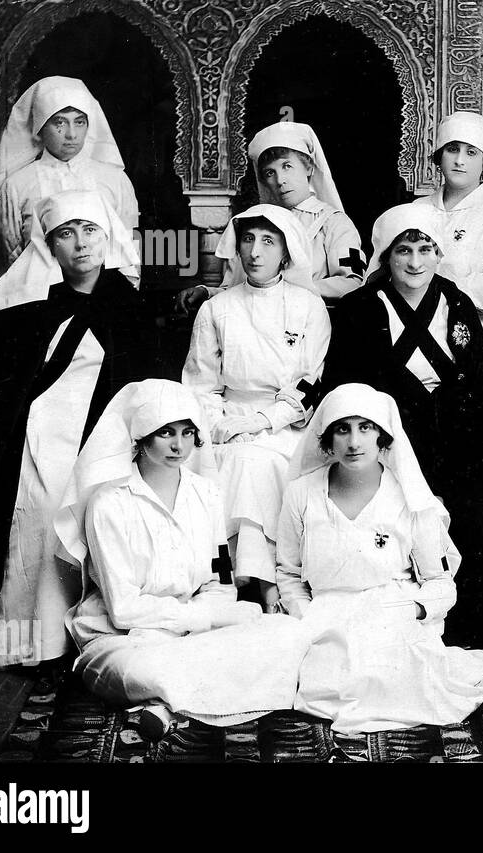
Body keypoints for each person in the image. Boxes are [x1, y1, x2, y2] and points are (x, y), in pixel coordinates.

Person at [56, 379, 310, 739]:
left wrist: (205, 620)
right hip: (127, 638)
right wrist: (204, 620)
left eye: (188, 432)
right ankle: (197, 692)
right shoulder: (109, 503)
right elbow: (124, 610)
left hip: (196, 631)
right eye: (165, 433)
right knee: (143, 669)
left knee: (291, 633)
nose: (179, 445)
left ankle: (165, 706)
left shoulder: (206, 493)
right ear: (141, 438)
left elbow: (219, 577)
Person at [0, 189, 149, 669]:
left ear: (107, 236)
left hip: (107, 430)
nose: (81, 244)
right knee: (43, 514)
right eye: (66, 234)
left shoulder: (131, 306)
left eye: (90, 230)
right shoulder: (32, 309)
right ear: (50, 246)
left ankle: (96, 644)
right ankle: (39, 644)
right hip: (42, 431)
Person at [276, 383, 483, 732]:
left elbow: (439, 584)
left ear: (383, 437)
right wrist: (307, 618)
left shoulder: (410, 499)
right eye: (342, 429)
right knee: (325, 683)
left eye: (365, 427)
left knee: (396, 679)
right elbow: (288, 572)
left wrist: (414, 610)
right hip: (325, 614)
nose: (354, 442)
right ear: (328, 439)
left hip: (392, 611)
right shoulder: (302, 494)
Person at [324, 204, 483, 652]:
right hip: (393, 439)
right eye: (403, 250)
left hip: (461, 439)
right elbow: (345, 387)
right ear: (386, 256)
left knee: (477, 524)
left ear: (438, 252)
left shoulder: (456, 301)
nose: (414, 262)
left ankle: (472, 635)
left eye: (425, 249)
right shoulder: (359, 308)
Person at [182, 204, 330, 612]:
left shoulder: (308, 307)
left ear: (286, 251)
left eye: (268, 241)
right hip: (224, 424)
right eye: (248, 239)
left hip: (289, 427)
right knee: (233, 461)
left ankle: (254, 583)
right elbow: (201, 383)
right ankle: (227, 580)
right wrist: (222, 424)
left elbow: (308, 383)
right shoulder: (216, 309)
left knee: (255, 462)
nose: (255, 251)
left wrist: (263, 421)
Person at [176, 121, 365, 311]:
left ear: (308, 167)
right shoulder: (255, 224)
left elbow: (353, 284)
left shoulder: (333, 222)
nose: (280, 180)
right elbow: (235, 289)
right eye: (269, 173)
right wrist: (206, 292)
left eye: (287, 166)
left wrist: (287, 288)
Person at [414, 111, 483, 388]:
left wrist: (430, 295)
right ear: (439, 156)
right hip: (415, 329)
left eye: (471, 152)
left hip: (481, 334)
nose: (460, 160)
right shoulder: (415, 211)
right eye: (452, 149)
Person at [0, 76, 139, 270]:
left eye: (80, 122)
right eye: (60, 122)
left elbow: (128, 255)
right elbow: (11, 261)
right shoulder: (16, 186)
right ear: (40, 126)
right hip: (39, 296)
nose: (71, 134)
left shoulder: (115, 180)